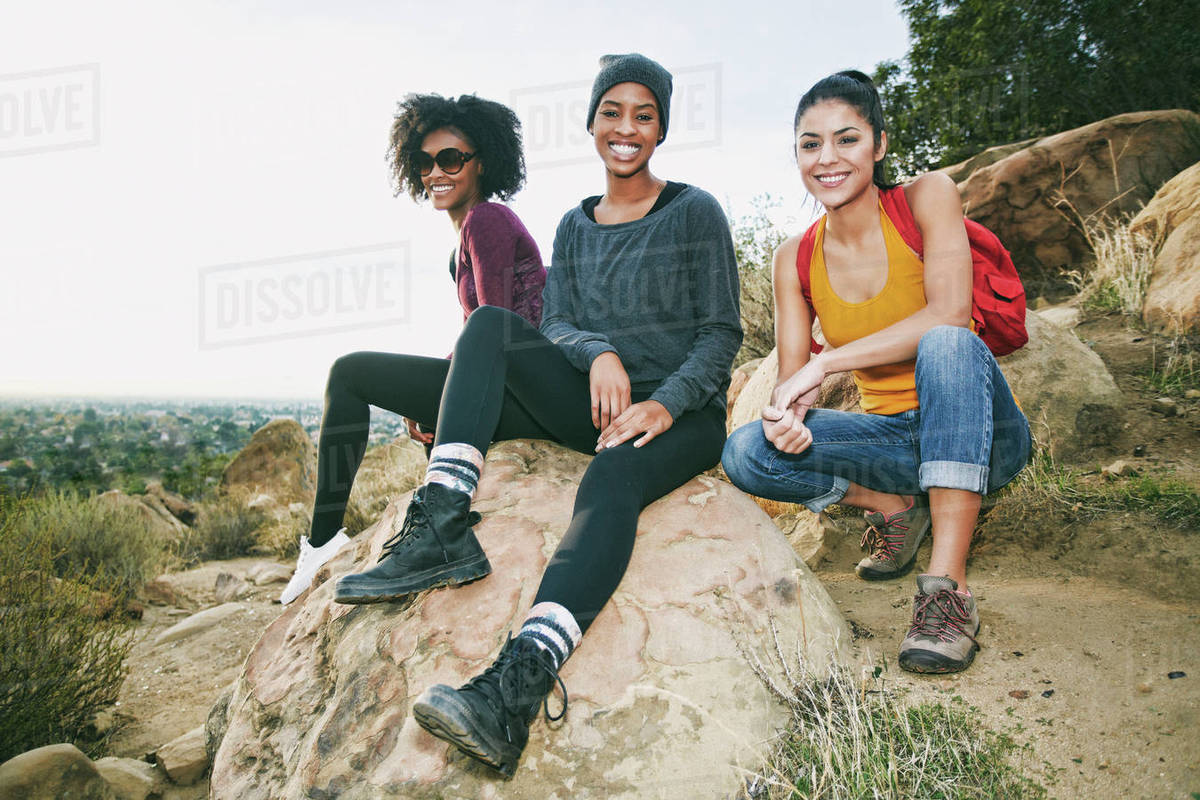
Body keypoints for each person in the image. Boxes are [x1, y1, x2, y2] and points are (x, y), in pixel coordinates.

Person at [332, 53, 742, 776]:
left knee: (610, 481)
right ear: (591, 123)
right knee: (489, 327)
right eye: (611, 112)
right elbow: (556, 323)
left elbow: (721, 334)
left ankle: (512, 690)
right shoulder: (574, 225)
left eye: (644, 115)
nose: (626, 127)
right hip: (596, 400)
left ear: (661, 129)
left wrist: (665, 403)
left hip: (680, 415)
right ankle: (443, 522)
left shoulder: (694, 211)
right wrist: (600, 354)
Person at [722, 70, 1031, 674]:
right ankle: (894, 505)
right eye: (810, 144)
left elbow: (950, 312)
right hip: (894, 445)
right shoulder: (794, 257)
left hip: (982, 437)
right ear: (797, 156)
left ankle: (947, 593)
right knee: (746, 451)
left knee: (946, 343)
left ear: (879, 144)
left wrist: (829, 360)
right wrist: (788, 417)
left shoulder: (926, 197)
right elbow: (793, 382)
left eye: (847, 139)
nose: (828, 158)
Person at [280, 93, 546, 606]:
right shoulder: (461, 245)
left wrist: (447, 397)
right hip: (508, 390)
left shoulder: (486, 221)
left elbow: (494, 331)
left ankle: (323, 541)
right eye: (424, 162)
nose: (435, 173)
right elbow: (473, 338)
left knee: (349, 373)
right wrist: (433, 398)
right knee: (367, 378)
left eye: (451, 159)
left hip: (524, 395)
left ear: (482, 162)